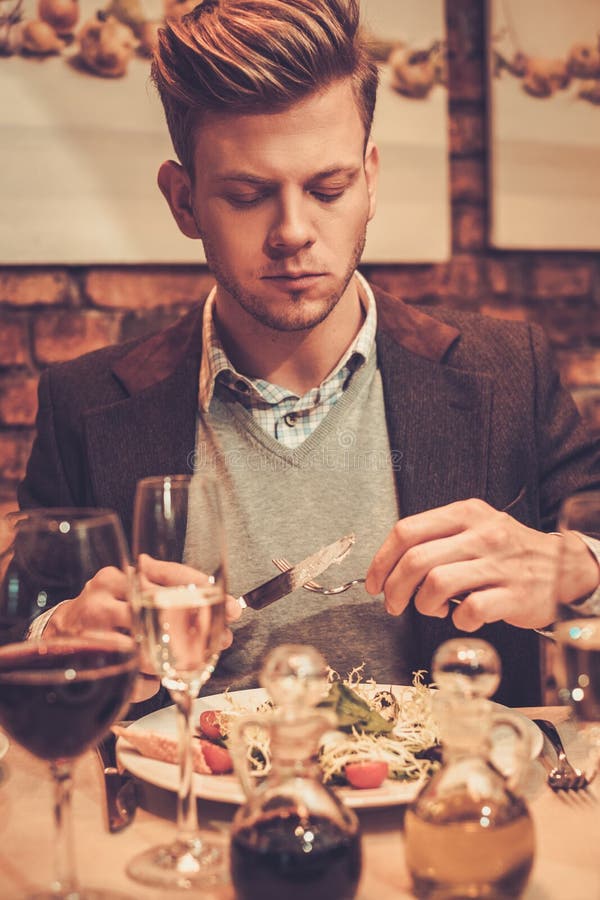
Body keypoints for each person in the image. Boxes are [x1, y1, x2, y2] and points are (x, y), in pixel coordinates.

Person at [16, 0, 600, 709]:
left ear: (371, 180)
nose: (294, 231)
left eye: (329, 188)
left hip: (450, 813)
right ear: (183, 201)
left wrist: (577, 571)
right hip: (183, 813)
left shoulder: (509, 370)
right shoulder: (84, 404)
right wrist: (60, 629)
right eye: (247, 194)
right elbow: (20, 623)